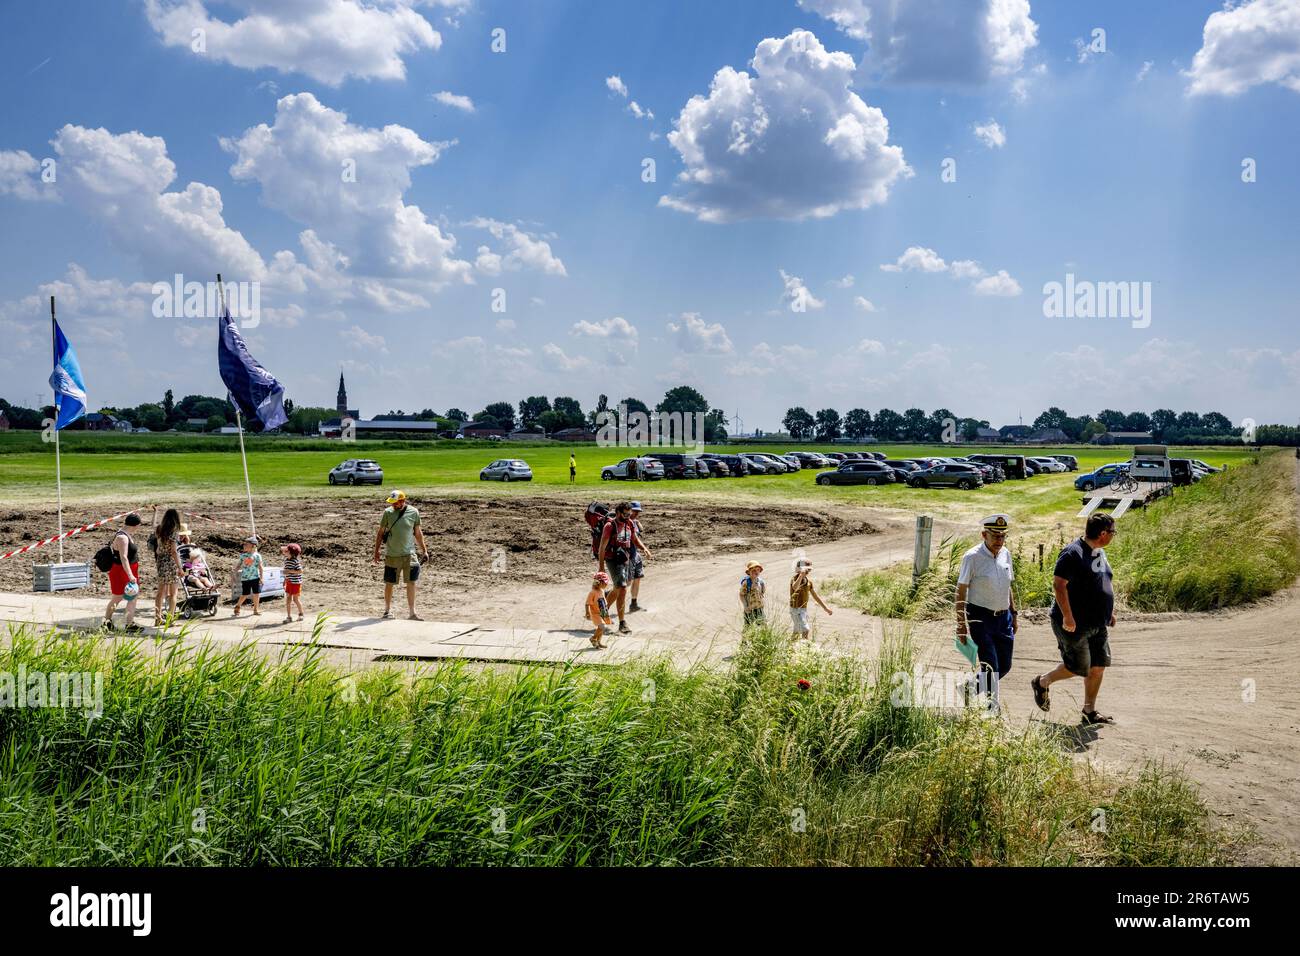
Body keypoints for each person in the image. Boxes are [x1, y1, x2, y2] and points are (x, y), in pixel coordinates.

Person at [1031, 512, 1118, 726]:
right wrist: (1068, 617)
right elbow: (1059, 585)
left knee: (1098, 666)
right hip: (1074, 623)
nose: (1114, 536)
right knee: (1077, 667)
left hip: (1098, 622)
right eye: (1113, 532)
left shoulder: (1098, 552)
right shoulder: (1073, 553)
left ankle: (1089, 711)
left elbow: (1102, 581)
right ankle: (1042, 682)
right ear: (1103, 533)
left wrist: (1108, 611)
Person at [956, 514, 1017, 711]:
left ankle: (969, 688)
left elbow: (1008, 586)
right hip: (980, 618)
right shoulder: (972, 557)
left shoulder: (1005, 554)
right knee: (991, 666)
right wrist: (961, 624)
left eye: (1003, 536)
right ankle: (992, 709)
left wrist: (1014, 614)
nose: (999, 541)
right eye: (995, 536)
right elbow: (961, 590)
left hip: (1004, 618)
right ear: (984, 534)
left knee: (1005, 666)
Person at [373, 489, 429, 620]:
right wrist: (376, 551)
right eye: (391, 503)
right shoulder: (387, 513)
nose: (393, 505)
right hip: (392, 555)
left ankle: (412, 613)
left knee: (411, 582)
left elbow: (418, 533)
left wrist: (424, 550)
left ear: (402, 501)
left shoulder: (413, 512)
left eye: (395, 503)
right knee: (389, 583)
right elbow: (380, 533)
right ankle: (387, 611)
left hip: (410, 554)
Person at [595, 501, 649, 634]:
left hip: (624, 558)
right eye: (625, 514)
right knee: (623, 588)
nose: (627, 516)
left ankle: (601, 611)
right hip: (612, 560)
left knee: (618, 589)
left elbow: (634, 539)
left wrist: (644, 549)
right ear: (618, 512)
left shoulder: (629, 523)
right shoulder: (609, 526)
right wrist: (601, 567)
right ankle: (622, 623)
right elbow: (602, 547)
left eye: (629, 514)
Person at [102, 513, 142, 632]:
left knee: (132, 597)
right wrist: (130, 575)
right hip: (121, 571)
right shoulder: (122, 537)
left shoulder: (126, 533)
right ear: (134, 526)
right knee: (117, 598)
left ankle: (130, 624)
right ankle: (106, 622)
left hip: (129, 570)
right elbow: (123, 557)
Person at [151, 508, 183, 626]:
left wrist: (155, 512)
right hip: (170, 562)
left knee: (160, 592)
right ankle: (170, 619)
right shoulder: (174, 532)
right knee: (173, 593)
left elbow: (153, 524)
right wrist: (180, 567)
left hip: (160, 561)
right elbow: (174, 552)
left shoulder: (160, 529)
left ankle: (157, 618)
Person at [789, 559, 832, 639]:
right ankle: (806, 647)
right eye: (806, 569)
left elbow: (815, 596)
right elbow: (795, 587)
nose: (808, 572)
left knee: (797, 631)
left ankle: (791, 647)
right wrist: (801, 575)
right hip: (795, 609)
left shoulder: (809, 582)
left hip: (803, 609)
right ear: (800, 569)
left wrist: (825, 608)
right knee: (805, 630)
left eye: (808, 570)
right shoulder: (795, 578)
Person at [233, 535, 264, 617]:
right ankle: (238, 605)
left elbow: (260, 567)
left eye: (246, 544)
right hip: (245, 578)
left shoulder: (257, 556)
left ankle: (255, 609)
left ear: (253, 546)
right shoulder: (243, 556)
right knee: (245, 594)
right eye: (244, 544)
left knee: (256, 593)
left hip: (255, 577)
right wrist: (235, 572)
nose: (244, 546)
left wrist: (261, 577)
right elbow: (238, 565)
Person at [628, 501, 649, 613]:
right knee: (625, 583)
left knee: (637, 579)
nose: (636, 513)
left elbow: (639, 531)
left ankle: (634, 604)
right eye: (634, 511)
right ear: (629, 510)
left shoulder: (634, 522)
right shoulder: (626, 522)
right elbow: (634, 539)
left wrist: (637, 522)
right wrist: (644, 548)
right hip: (627, 556)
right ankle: (606, 597)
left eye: (638, 511)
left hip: (635, 554)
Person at [586, 571, 614, 648]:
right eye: (605, 583)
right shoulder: (592, 592)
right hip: (596, 613)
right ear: (600, 583)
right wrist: (587, 612)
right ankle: (593, 638)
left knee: (601, 628)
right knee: (602, 626)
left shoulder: (601, 591)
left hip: (602, 612)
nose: (607, 584)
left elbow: (603, 600)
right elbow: (587, 603)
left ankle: (598, 642)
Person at [282, 543, 304, 623]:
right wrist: (285, 579)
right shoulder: (286, 560)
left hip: (295, 583)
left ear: (291, 552)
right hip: (289, 582)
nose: (284, 551)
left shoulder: (295, 561)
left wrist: (290, 571)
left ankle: (301, 614)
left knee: (295, 599)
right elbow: (286, 571)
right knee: (288, 599)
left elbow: (300, 571)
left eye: (286, 550)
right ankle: (289, 617)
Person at [739, 560, 765, 629]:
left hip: (759, 607)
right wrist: (745, 606)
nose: (756, 572)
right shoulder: (746, 583)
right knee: (748, 627)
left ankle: (762, 639)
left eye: (758, 570)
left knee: (763, 626)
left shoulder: (760, 581)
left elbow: (762, 592)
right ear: (749, 572)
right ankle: (744, 640)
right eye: (753, 570)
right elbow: (741, 595)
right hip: (750, 609)